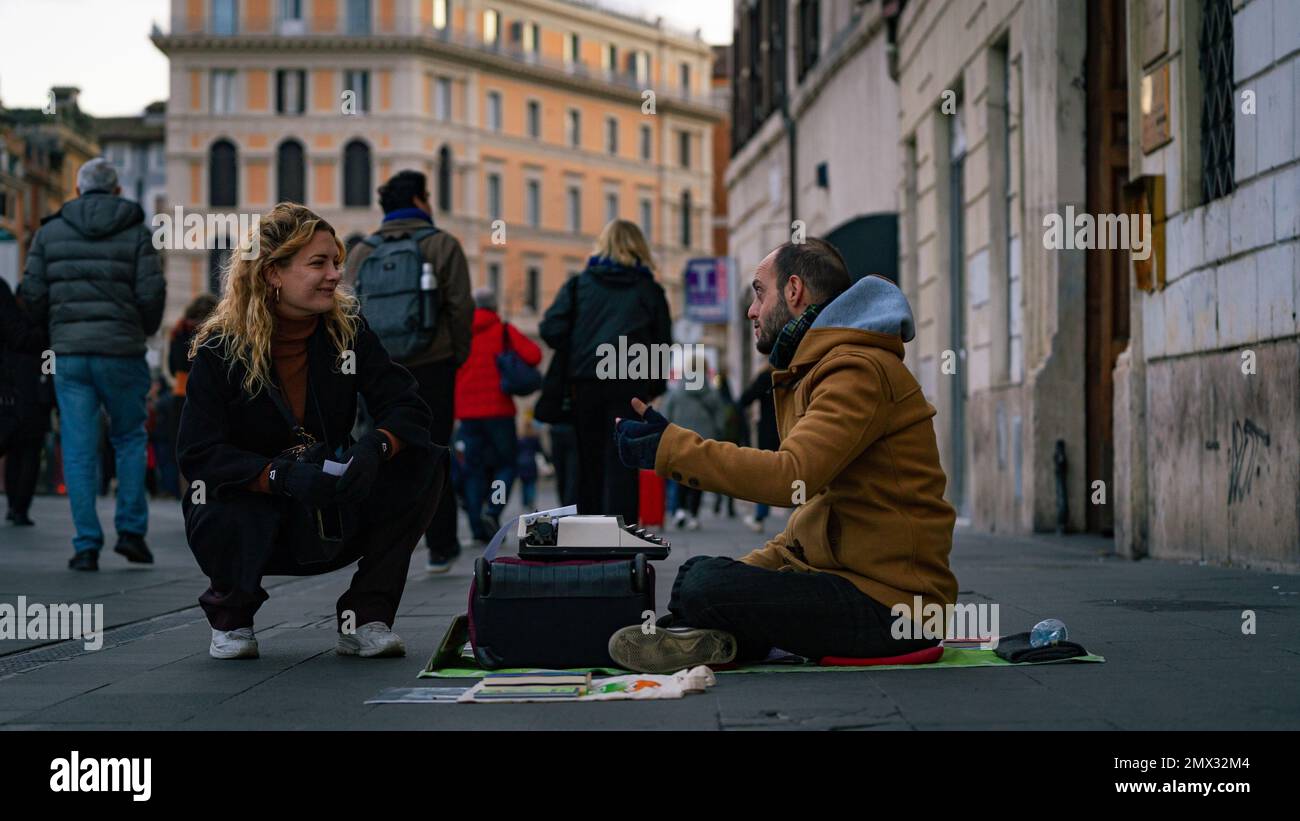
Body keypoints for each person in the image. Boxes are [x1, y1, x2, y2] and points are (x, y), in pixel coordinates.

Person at [609, 239, 959, 673]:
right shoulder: (820, 368)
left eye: (759, 292)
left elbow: (789, 477)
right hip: (851, 586)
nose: (751, 311)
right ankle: (713, 636)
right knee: (705, 576)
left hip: (896, 609)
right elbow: (804, 528)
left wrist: (671, 448)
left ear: (793, 291)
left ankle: (720, 633)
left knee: (704, 584)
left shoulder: (857, 369)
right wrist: (736, 575)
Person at [178, 202, 445, 660]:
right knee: (213, 492)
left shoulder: (348, 333)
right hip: (253, 511)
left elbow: (407, 406)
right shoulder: (220, 348)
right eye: (319, 263)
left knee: (425, 459)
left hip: (328, 506)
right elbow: (198, 452)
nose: (334, 275)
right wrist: (276, 476)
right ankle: (233, 618)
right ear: (272, 273)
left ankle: (365, 618)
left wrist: (376, 447)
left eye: (336, 262)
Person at [18, 158, 165, 570]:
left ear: (78, 191)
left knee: (79, 451)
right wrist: (140, 329)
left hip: (71, 355)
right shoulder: (138, 232)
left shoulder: (49, 232)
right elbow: (152, 293)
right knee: (130, 439)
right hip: (123, 352)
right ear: (118, 191)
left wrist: (54, 328)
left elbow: (31, 293)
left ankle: (86, 546)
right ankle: (132, 533)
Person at [344, 170, 473, 572]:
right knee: (434, 451)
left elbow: (349, 315)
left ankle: (383, 543)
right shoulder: (442, 244)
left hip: (379, 370)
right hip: (433, 363)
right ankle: (441, 545)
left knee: (383, 451)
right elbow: (460, 307)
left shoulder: (361, 252)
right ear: (419, 200)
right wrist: (455, 354)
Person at [539, 219, 671, 524]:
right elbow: (662, 342)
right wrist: (654, 386)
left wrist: (580, 341)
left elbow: (550, 329)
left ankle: (586, 531)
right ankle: (620, 534)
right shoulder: (648, 289)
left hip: (585, 383)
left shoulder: (579, 285)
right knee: (624, 460)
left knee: (587, 461)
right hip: (629, 382)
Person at [454, 287, 542, 544]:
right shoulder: (503, 330)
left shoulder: (461, 334)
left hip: (467, 414)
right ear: (494, 306)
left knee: (473, 470)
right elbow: (534, 355)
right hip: (499, 411)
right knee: (507, 465)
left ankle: (477, 529)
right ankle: (492, 510)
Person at [1, 277, 52, 527]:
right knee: (28, 453)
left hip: (13, 397)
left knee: (14, 452)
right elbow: (49, 364)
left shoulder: (10, 327)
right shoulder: (44, 330)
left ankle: (14, 506)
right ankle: (19, 508)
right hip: (35, 398)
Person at [660, 363, 726, 531]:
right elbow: (720, 414)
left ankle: (680, 511)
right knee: (698, 477)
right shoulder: (710, 392)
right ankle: (694, 516)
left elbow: (666, 413)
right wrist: (719, 431)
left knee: (680, 474)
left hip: (679, 439)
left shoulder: (676, 391)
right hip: (703, 440)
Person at [737, 367, 778, 532]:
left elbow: (744, 399)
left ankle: (760, 517)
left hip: (769, 431)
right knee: (797, 471)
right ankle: (803, 514)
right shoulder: (796, 371)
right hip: (793, 429)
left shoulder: (766, 376)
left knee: (767, 474)